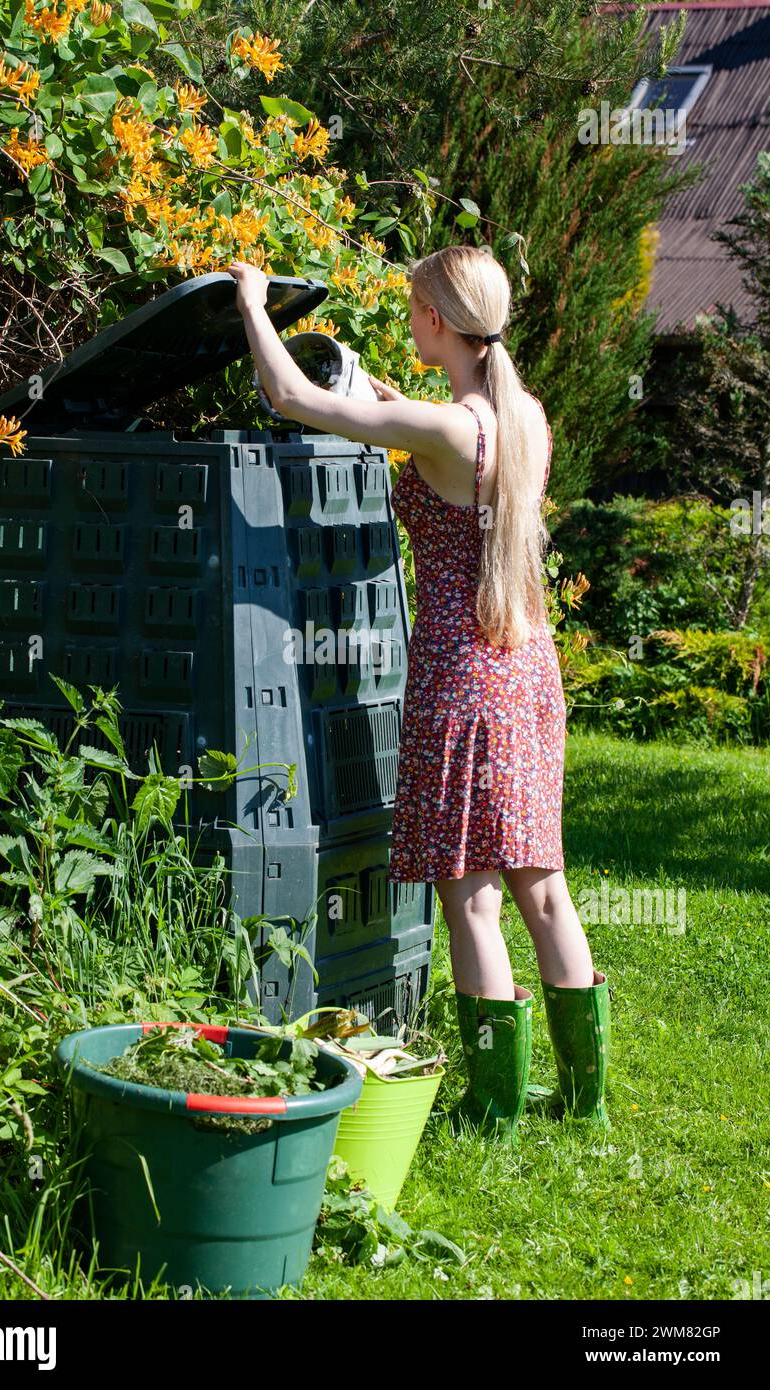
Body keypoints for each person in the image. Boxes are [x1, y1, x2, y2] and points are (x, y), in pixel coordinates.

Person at [227, 246, 610, 1142]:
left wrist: (252, 304)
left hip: (462, 678)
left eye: (412, 305)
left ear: (438, 320)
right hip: (527, 672)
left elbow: (292, 399)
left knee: (469, 893)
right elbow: (440, 437)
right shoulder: (523, 419)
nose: (407, 315)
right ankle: (583, 1099)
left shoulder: (448, 433)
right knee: (542, 889)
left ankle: (492, 1108)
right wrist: (397, 402)